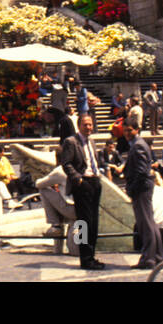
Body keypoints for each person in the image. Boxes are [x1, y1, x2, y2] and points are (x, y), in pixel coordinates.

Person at [59, 112, 105, 270]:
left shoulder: (91, 141)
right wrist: (77, 179)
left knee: (94, 223)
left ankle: (91, 255)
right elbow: (66, 163)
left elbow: (94, 160)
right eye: (85, 124)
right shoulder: (71, 141)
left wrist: (99, 174)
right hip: (82, 184)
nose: (89, 127)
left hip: (95, 182)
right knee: (84, 223)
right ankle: (85, 258)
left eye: (90, 124)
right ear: (79, 125)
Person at [123, 117, 163, 269]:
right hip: (144, 186)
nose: (127, 133)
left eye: (130, 130)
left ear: (137, 130)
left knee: (144, 224)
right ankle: (158, 255)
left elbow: (141, 172)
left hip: (141, 188)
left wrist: (131, 188)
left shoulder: (138, 146)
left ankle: (148, 258)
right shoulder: (138, 144)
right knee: (150, 221)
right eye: (125, 130)